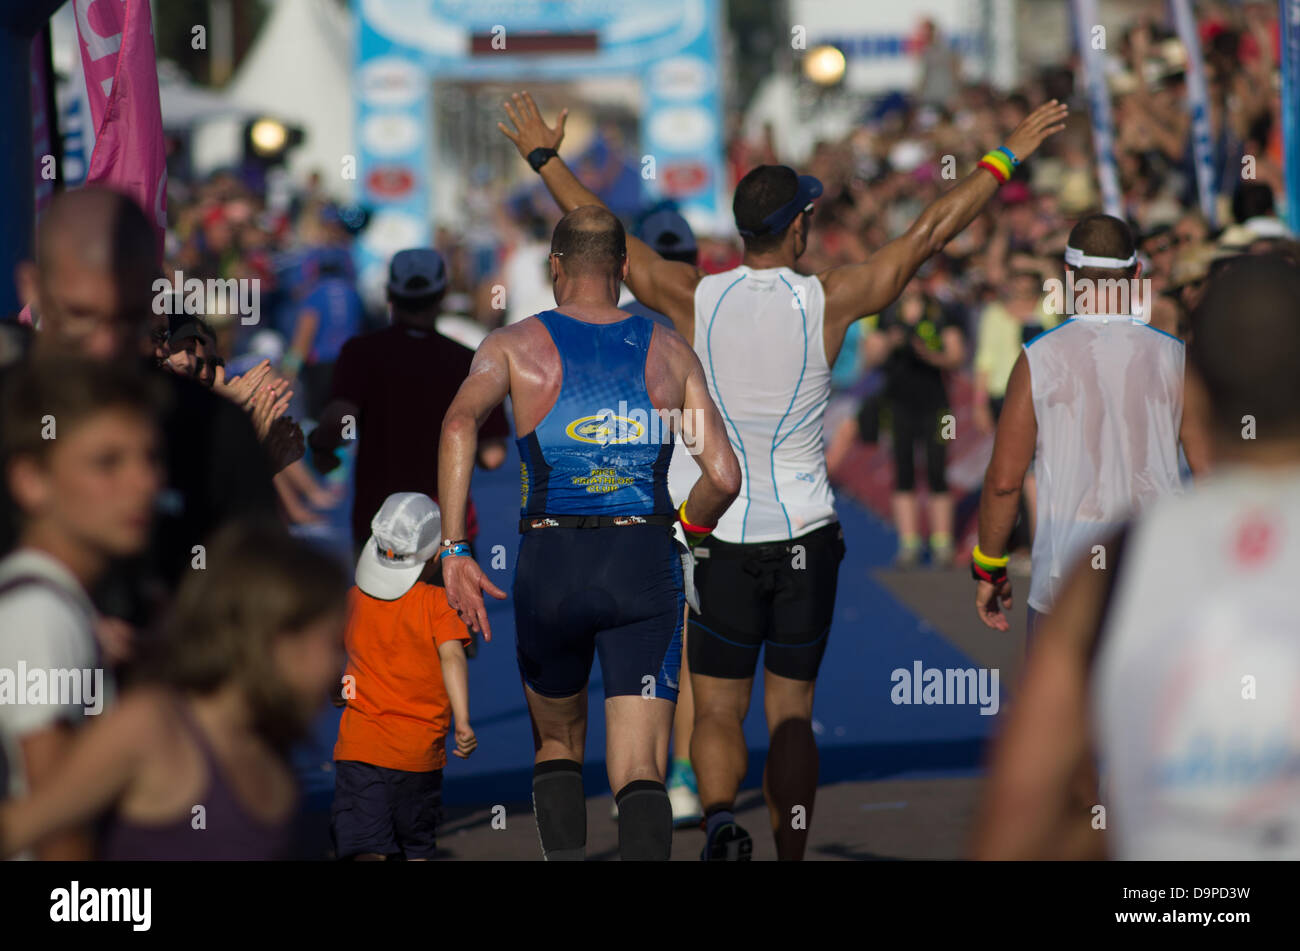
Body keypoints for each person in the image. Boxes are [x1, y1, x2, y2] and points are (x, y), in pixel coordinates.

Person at [498, 89, 1067, 859]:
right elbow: (929, 232)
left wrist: (544, 157)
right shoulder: (829, 300)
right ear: (797, 226)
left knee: (719, 711)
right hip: (804, 535)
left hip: (721, 537)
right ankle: (790, 854)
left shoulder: (695, 295)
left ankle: (723, 818)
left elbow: (610, 240)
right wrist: (1009, 152)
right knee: (792, 711)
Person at [437, 205, 741, 862]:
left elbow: (460, 425)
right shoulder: (667, 348)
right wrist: (689, 525)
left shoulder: (514, 345)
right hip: (642, 558)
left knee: (557, 744)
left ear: (554, 268)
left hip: (552, 559)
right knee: (640, 765)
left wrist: (455, 548)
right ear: (625, 269)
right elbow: (724, 473)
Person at [974, 254, 1300, 859]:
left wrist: (988, 565)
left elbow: (1020, 812)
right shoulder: (1169, 356)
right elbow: (1206, 467)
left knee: (1087, 775)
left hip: (1081, 573)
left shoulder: (1041, 356)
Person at [5, 188, 279, 621]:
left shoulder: (214, 430)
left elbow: (259, 618)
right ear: (33, 288)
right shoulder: (7, 416)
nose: (105, 345)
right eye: (79, 315)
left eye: (128, 320)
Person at [0, 521, 347, 860]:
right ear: (277, 640)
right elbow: (19, 828)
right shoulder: (153, 726)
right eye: (332, 642)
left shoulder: (271, 750)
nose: (339, 663)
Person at [972, 214, 1211, 639]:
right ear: (1136, 272)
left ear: (1068, 275)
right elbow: (1212, 476)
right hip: (1156, 582)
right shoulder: (1177, 359)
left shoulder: (1037, 359)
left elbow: (1005, 481)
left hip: (1065, 587)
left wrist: (990, 567)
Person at [0, 357, 161, 860]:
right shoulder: (39, 614)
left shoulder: (57, 605)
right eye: (107, 462)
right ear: (32, 480)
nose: (143, 483)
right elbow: (60, 831)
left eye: (151, 458)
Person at [309, 249, 509, 570]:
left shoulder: (361, 353)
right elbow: (493, 455)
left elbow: (338, 420)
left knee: (380, 618)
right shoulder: (466, 360)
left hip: (380, 526)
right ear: (442, 294)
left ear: (390, 294)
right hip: (448, 530)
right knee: (450, 618)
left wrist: (321, 448)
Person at [613, 207, 704, 826]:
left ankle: (643, 782)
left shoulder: (610, 327)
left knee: (630, 654)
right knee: (687, 656)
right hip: (691, 506)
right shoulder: (705, 315)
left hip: (632, 506)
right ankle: (680, 777)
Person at [331, 492, 474, 861]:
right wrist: (463, 720)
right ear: (432, 556)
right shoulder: (438, 604)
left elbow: (331, 658)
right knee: (417, 844)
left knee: (364, 844)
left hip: (360, 749)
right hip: (420, 755)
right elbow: (453, 656)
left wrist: (336, 689)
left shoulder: (351, 600)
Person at [861, 281, 966, 567]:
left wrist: (930, 355)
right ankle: (908, 543)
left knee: (938, 468)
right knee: (903, 469)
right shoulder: (888, 313)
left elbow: (957, 356)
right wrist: (889, 344)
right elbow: (869, 358)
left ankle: (942, 542)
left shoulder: (940, 312)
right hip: (897, 404)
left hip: (939, 407)